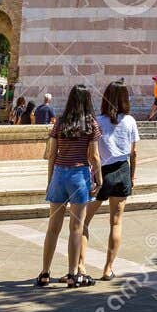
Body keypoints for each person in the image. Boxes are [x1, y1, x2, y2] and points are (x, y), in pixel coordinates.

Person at [35, 85, 102, 288]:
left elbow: (52, 154)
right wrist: (99, 178)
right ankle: (73, 275)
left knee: (53, 228)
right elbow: (94, 156)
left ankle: (45, 273)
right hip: (79, 175)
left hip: (59, 174)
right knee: (76, 228)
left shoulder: (60, 122)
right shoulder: (90, 123)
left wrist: (50, 180)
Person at [83, 80, 137, 281]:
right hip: (122, 171)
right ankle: (107, 269)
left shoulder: (97, 121)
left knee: (83, 222)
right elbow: (134, 153)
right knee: (116, 223)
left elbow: (92, 152)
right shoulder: (130, 121)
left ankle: (80, 266)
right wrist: (131, 178)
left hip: (101, 172)